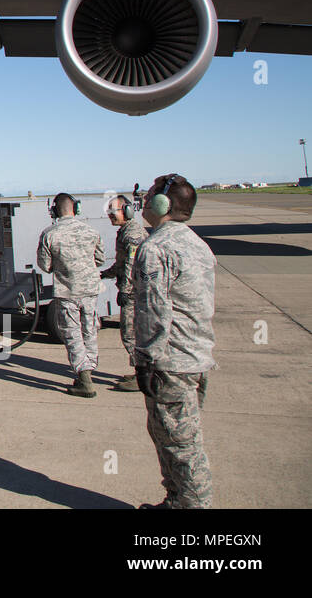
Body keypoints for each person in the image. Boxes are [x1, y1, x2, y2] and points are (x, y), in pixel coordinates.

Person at [133, 174, 216, 509]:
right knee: (174, 440)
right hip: (196, 357)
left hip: (170, 364)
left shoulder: (155, 248)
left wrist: (144, 359)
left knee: (182, 448)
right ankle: (176, 501)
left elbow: (154, 311)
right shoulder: (198, 244)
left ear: (162, 204)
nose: (144, 200)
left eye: (149, 195)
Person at [37, 193, 105, 397]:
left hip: (67, 292)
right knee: (90, 329)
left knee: (72, 333)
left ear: (55, 210)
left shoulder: (50, 234)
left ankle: (84, 378)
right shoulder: (91, 231)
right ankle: (90, 368)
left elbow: (45, 265)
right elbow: (100, 260)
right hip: (90, 290)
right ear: (75, 208)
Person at [103, 194, 148, 391]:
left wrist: (126, 289)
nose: (110, 216)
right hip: (132, 289)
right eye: (109, 213)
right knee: (132, 334)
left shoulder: (132, 234)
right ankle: (140, 372)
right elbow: (121, 264)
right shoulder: (125, 231)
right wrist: (107, 273)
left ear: (127, 211)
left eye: (113, 213)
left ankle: (142, 377)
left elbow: (131, 263)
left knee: (130, 335)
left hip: (133, 292)